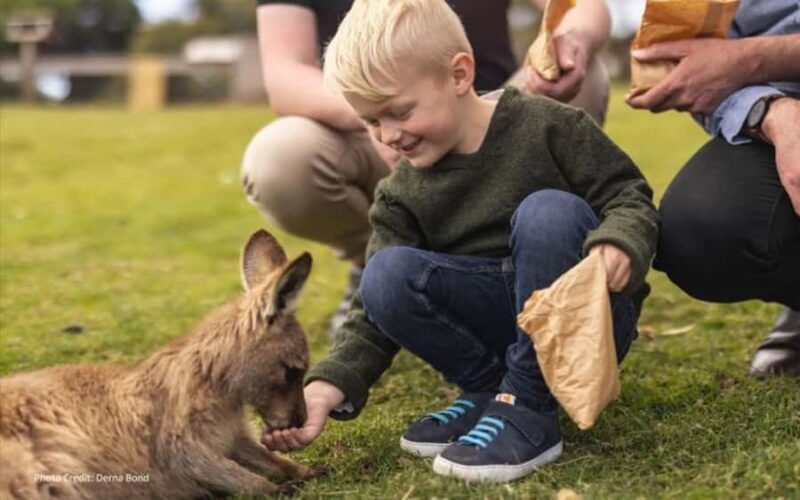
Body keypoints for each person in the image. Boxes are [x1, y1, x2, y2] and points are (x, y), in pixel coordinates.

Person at [261, 0, 658, 482]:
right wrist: (327, 387)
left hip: (584, 322)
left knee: (549, 212)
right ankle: (492, 390)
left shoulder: (550, 126)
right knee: (384, 274)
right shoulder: (400, 192)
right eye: (371, 122)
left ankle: (529, 406)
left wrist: (617, 242)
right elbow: (372, 315)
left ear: (459, 74)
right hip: (496, 326)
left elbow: (628, 194)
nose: (389, 136)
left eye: (399, 111)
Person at [241, 0, 612, 336]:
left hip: (493, 121)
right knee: (279, 159)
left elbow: (580, 5)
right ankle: (378, 262)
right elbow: (284, 71)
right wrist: (383, 115)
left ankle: (532, 262)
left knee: (581, 77)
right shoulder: (385, 124)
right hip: (365, 135)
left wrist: (573, 37)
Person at [627, 1, 800, 377]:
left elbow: (732, 62)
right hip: (782, 100)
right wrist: (770, 112)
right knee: (700, 225)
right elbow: (696, 67)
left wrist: (751, 58)